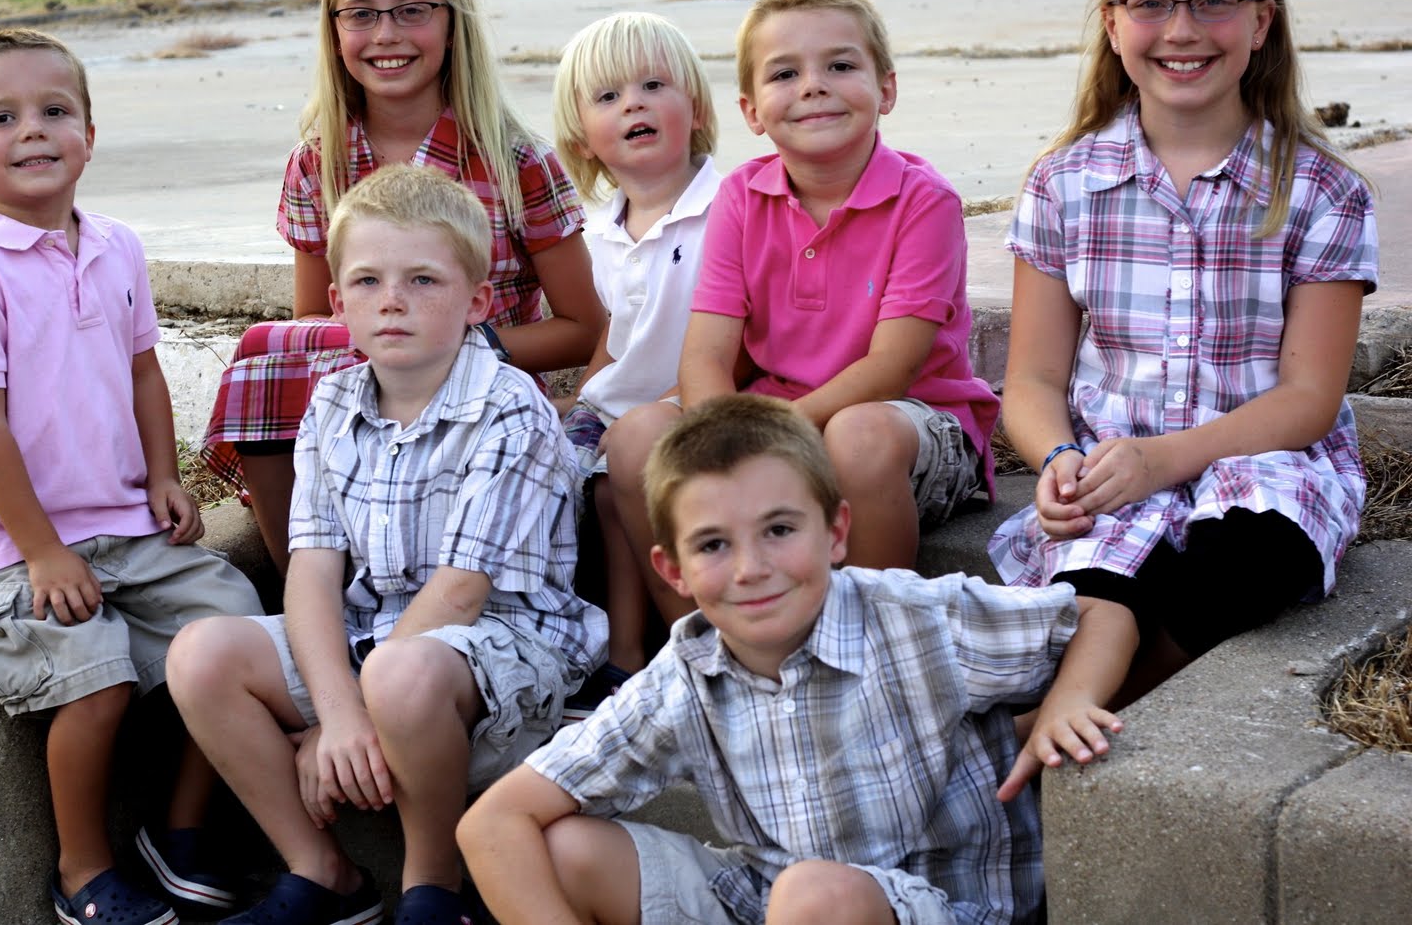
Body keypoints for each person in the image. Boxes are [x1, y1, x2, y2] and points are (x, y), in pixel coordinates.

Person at [458, 395, 1130, 925]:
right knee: (563, 851)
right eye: (713, 544)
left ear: (836, 532)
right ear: (674, 569)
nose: (751, 568)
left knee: (813, 896)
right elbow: (491, 822)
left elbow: (1104, 613)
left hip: (942, 907)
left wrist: (1069, 699)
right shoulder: (685, 673)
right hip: (775, 896)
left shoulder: (916, 617)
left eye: (779, 529)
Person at [167, 164, 608, 925]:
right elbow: (311, 570)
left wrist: (347, 719)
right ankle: (324, 873)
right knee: (200, 654)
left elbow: (462, 593)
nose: (392, 300)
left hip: (499, 658)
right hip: (375, 641)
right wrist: (337, 715)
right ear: (338, 303)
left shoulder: (509, 408)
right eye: (367, 281)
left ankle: (434, 883)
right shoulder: (333, 400)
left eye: (423, 280)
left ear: (477, 303)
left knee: (400, 673)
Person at [988, 0, 1378, 708]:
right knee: (1100, 576)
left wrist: (1163, 460)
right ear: (1112, 23)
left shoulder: (1321, 191)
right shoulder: (1064, 184)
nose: (1182, 30)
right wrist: (1058, 458)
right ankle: (1052, 718)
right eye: (1151, 3)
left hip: (1264, 466)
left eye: (1214, 1)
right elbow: (1031, 380)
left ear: (1261, 21)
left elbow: (1309, 398)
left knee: (1252, 556)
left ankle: (1062, 725)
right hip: (1111, 466)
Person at [0, 28, 264, 925]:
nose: (33, 129)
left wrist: (163, 475)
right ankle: (82, 870)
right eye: (2, 118)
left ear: (90, 135)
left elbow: (144, 369)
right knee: (97, 680)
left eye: (54, 110)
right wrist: (42, 551)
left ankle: (178, 832)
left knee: (238, 634)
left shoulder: (116, 246)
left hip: (126, 525)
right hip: (16, 547)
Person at [201, 0, 603, 581]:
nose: (386, 35)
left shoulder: (516, 162)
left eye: (412, 10)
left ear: (453, 22)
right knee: (264, 360)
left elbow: (585, 327)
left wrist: (459, 344)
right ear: (334, 30)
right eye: (361, 14)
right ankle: (308, 588)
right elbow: (316, 321)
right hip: (367, 388)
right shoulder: (317, 163)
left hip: (481, 397)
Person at [602, 0, 999, 619]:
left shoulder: (924, 202)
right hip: (773, 418)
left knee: (858, 436)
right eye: (785, 73)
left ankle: (876, 641)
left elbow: (891, 368)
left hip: (908, 426)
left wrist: (769, 439)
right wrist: (725, 441)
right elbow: (706, 353)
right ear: (752, 111)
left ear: (886, 89)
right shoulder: (740, 197)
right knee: (635, 438)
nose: (813, 85)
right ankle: (706, 646)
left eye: (840, 66)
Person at [549, 11, 723, 674]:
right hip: (621, 407)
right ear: (582, 138)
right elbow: (615, 336)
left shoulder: (728, 211)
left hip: (694, 398)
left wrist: (665, 401)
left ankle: (646, 651)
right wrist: (579, 399)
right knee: (550, 464)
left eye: (653, 86)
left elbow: (739, 337)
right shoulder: (598, 232)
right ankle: (602, 648)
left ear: (696, 109)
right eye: (608, 96)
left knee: (618, 471)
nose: (633, 104)